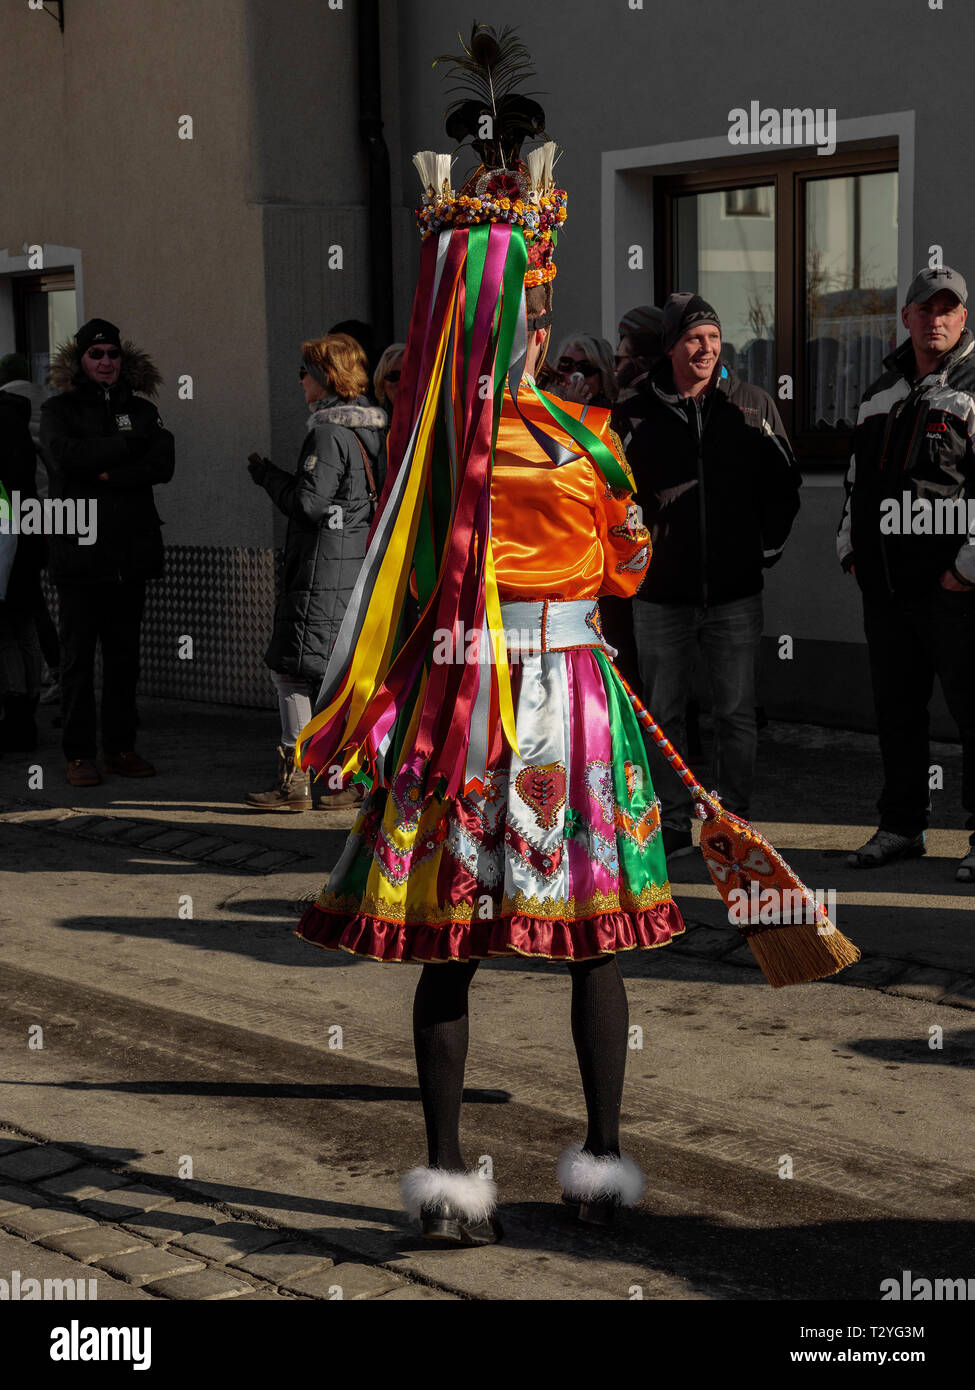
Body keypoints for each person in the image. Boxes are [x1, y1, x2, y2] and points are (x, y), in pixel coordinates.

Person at [292, 24, 684, 1248]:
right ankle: (603, 1160)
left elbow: (399, 590)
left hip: (468, 698)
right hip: (567, 687)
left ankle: (451, 1176)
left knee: (451, 940)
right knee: (590, 942)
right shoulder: (585, 438)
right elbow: (631, 563)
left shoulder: (430, 453)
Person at [621, 292, 801, 860]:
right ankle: (673, 821)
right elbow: (610, 495)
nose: (706, 347)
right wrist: (632, 560)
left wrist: (763, 550)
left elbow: (785, 486)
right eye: (694, 338)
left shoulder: (751, 404)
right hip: (660, 594)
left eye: (714, 337)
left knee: (734, 713)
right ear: (672, 345)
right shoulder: (633, 411)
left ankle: (731, 822)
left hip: (734, 591)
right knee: (665, 712)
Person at [838, 266, 975, 879]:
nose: (936, 319)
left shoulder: (972, 388)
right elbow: (854, 482)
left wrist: (966, 570)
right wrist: (850, 550)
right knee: (896, 712)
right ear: (907, 317)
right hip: (887, 590)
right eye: (926, 308)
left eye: (949, 309)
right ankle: (901, 827)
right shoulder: (879, 390)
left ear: (964, 318)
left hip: (955, 592)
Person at [245, 333, 387, 812]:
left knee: (291, 671)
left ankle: (296, 782)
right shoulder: (370, 430)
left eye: (305, 371)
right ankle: (343, 779)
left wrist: (269, 477)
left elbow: (309, 504)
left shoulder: (327, 432)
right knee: (334, 674)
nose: (299, 379)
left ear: (326, 378)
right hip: (348, 569)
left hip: (320, 571)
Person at [40, 319, 174, 788]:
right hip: (79, 558)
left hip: (129, 557)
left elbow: (164, 462)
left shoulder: (140, 409)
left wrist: (109, 473)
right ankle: (79, 754)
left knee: (124, 659)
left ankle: (120, 747)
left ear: (123, 359)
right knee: (78, 661)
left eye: (112, 354)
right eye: (96, 354)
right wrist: (124, 447)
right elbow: (64, 455)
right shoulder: (59, 409)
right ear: (81, 360)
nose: (105, 362)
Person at [0, 353, 59, 698]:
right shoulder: (46, 400)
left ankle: (25, 694)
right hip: (48, 508)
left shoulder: (5, 408)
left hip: (13, 516)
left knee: (17, 615)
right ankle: (52, 673)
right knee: (35, 604)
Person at [0, 390, 44, 752]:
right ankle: (26, 707)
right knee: (24, 624)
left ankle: (16, 712)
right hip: (26, 537)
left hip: (6, 541)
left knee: (6, 633)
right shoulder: (16, 419)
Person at [550, 333, 617, 408]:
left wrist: (575, 407)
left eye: (585, 368)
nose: (574, 377)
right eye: (566, 364)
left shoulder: (612, 413)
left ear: (603, 376)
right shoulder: (545, 402)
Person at [614, 305, 664, 402]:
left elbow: (616, 416)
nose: (618, 347)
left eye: (623, 337)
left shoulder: (640, 393)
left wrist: (576, 409)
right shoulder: (660, 387)